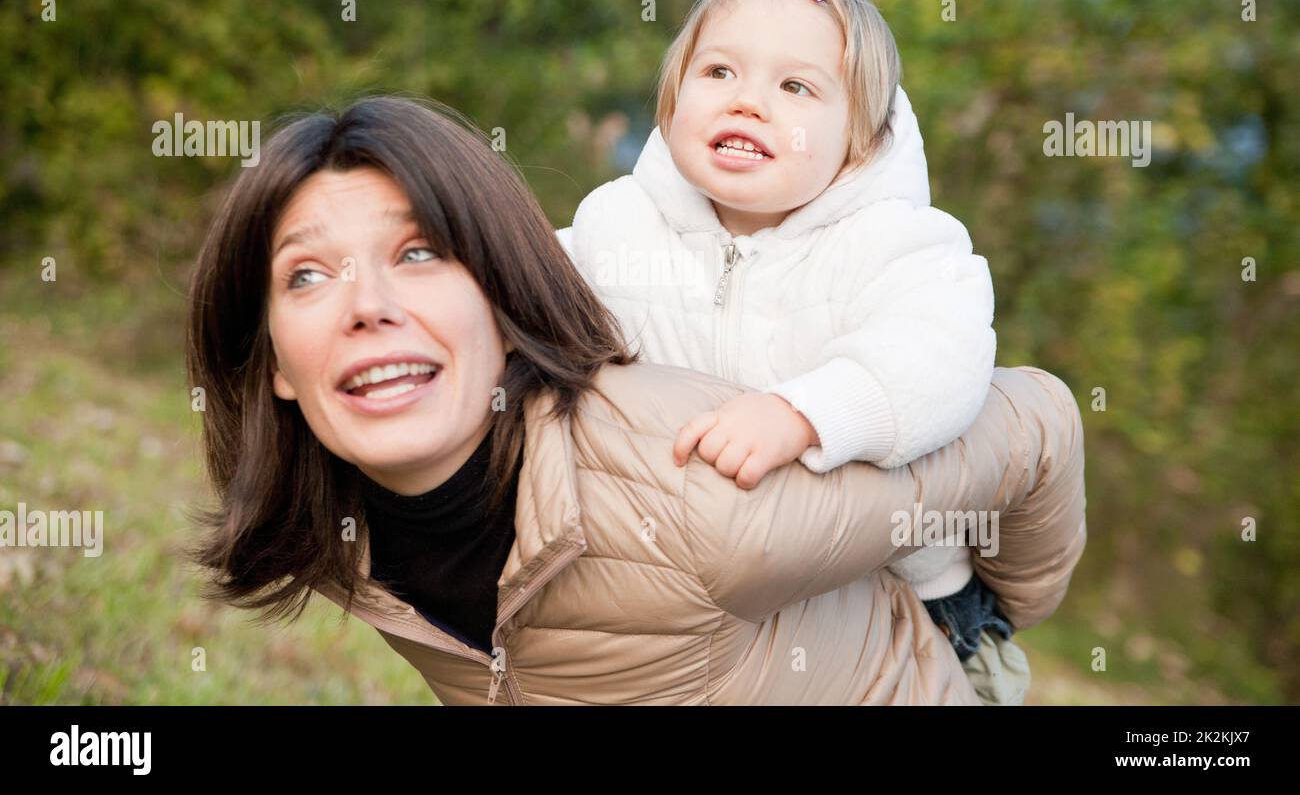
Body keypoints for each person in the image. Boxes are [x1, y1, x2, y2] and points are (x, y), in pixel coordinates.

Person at [186, 95, 1086, 705]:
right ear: (274, 363)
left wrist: (989, 617)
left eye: (419, 253)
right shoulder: (335, 532)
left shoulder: (700, 497)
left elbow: (1038, 419)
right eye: (307, 274)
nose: (367, 305)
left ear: (504, 300)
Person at [557, 0, 1020, 698]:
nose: (748, 102)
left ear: (860, 143)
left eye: (795, 87)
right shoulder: (617, 223)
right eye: (718, 72)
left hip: (901, 584)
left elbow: (941, 352)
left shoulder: (896, 243)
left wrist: (804, 414)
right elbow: (530, 288)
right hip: (709, 575)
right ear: (673, 99)